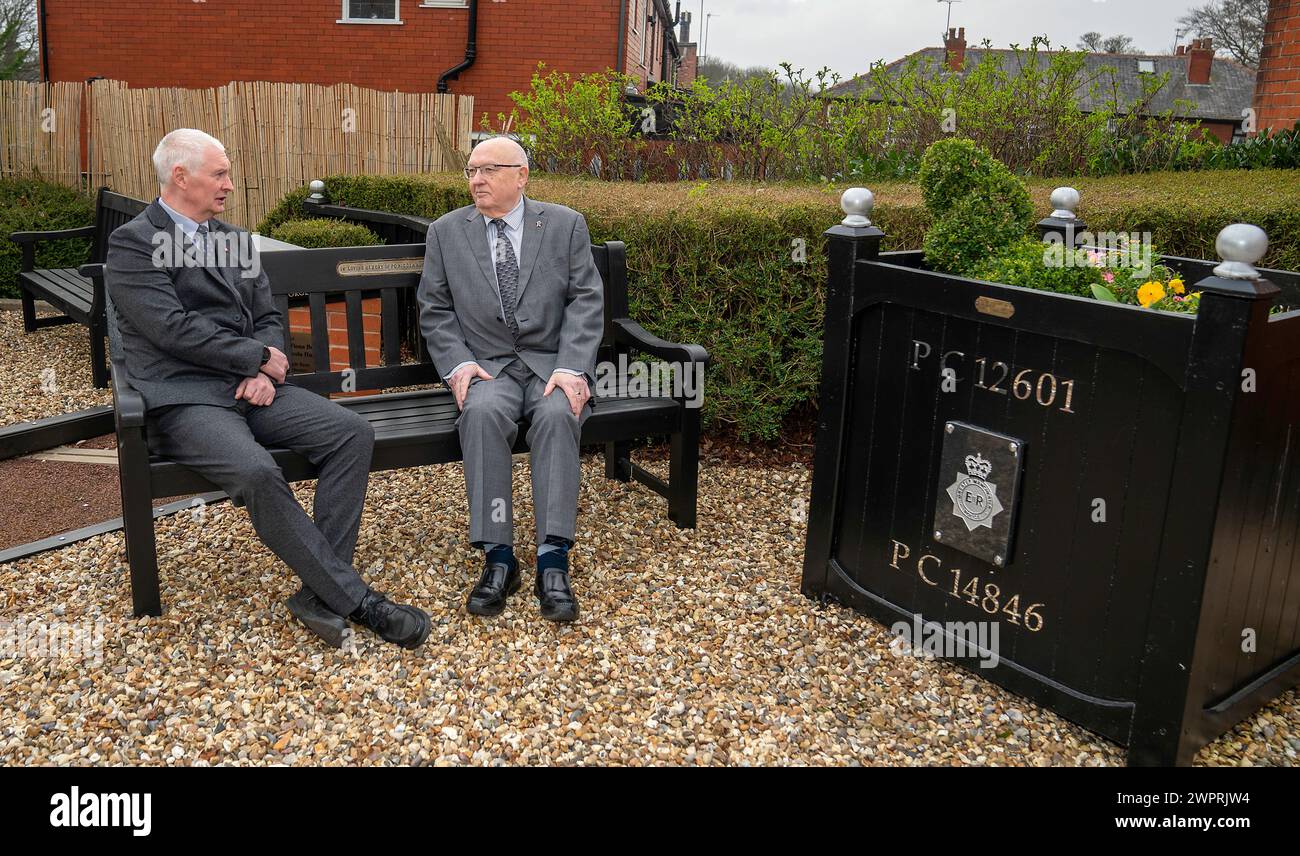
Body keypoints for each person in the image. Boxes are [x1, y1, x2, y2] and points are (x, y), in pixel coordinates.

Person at [105, 128, 430, 649]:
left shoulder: (233, 238)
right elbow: (170, 328)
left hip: (254, 389)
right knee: (258, 471)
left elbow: (265, 314)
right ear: (180, 176)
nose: (230, 184)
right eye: (220, 174)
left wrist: (265, 367)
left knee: (350, 433)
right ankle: (358, 601)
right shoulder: (133, 244)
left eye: (228, 174)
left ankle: (316, 593)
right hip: (185, 398)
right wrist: (253, 357)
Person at [416, 136, 603, 622]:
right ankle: (499, 555)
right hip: (488, 367)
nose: (476, 179)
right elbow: (434, 309)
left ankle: (552, 558)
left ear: (521, 175)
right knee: (479, 414)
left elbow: (585, 299)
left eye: (489, 170)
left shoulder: (565, 225)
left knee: (561, 415)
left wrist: (571, 366)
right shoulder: (446, 232)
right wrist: (457, 364)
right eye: (471, 171)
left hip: (550, 365)